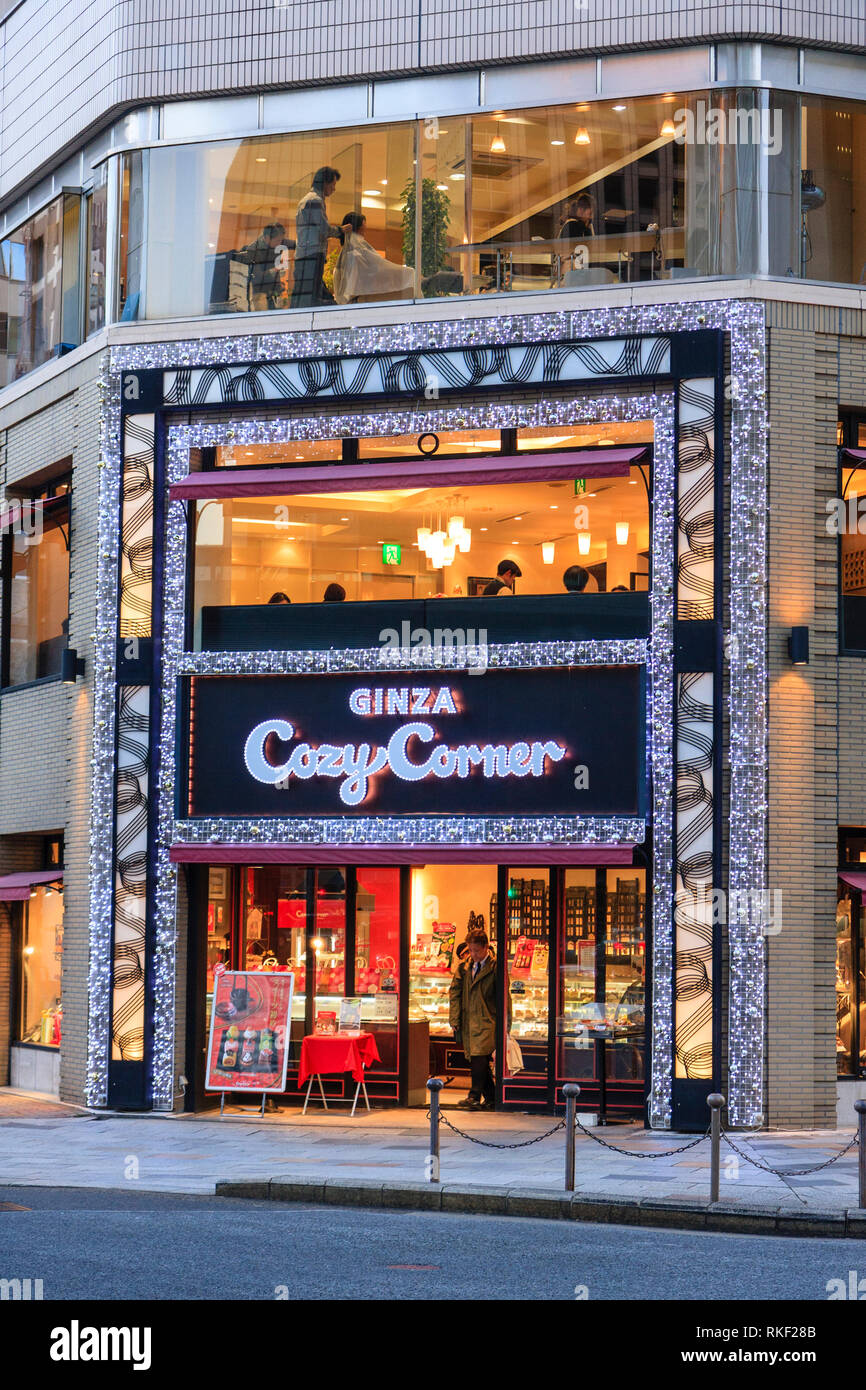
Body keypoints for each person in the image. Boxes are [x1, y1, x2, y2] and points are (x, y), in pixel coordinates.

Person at [449, 928, 503, 1111]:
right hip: (468, 1020)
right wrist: (454, 1019)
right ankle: (492, 1098)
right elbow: (454, 993)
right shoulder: (464, 968)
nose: (473, 954)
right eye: (470, 950)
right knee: (477, 1058)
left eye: (477, 951)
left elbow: (504, 998)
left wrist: (505, 1025)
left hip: (488, 1020)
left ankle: (474, 1096)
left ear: (486, 947)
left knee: (478, 1057)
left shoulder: (495, 968)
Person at [333, 213, 414, 304]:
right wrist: (407, 273)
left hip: (353, 300)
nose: (363, 234)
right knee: (407, 290)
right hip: (357, 300)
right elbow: (374, 269)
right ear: (358, 229)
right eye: (362, 230)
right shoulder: (355, 252)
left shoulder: (348, 253)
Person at [291, 166, 343, 307]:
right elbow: (323, 229)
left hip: (305, 254)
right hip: (312, 254)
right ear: (325, 183)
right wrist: (341, 230)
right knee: (311, 298)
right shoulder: (314, 200)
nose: (334, 189)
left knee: (307, 295)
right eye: (333, 184)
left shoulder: (308, 199)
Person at [236, 223, 295, 310]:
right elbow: (258, 277)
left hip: (275, 290)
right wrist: (275, 270)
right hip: (259, 292)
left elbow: (296, 244)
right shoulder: (253, 251)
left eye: (281, 240)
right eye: (277, 241)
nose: (280, 243)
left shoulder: (279, 241)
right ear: (267, 238)